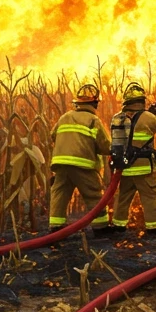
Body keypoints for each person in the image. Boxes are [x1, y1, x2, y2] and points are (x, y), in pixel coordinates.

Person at [48, 83, 112, 234]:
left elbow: (53, 135)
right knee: (93, 193)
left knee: (60, 192)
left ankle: (56, 227)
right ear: (95, 103)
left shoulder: (65, 117)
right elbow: (104, 146)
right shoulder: (92, 120)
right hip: (82, 164)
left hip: (61, 163)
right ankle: (101, 227)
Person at [109, 82, 156, 237]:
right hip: (144, 168)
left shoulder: (118, 118)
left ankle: (119, 225)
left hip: (125, 167)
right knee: (151, 196)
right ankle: (154, 229)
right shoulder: (147, 117)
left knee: (123, 197)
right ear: (142, 101)